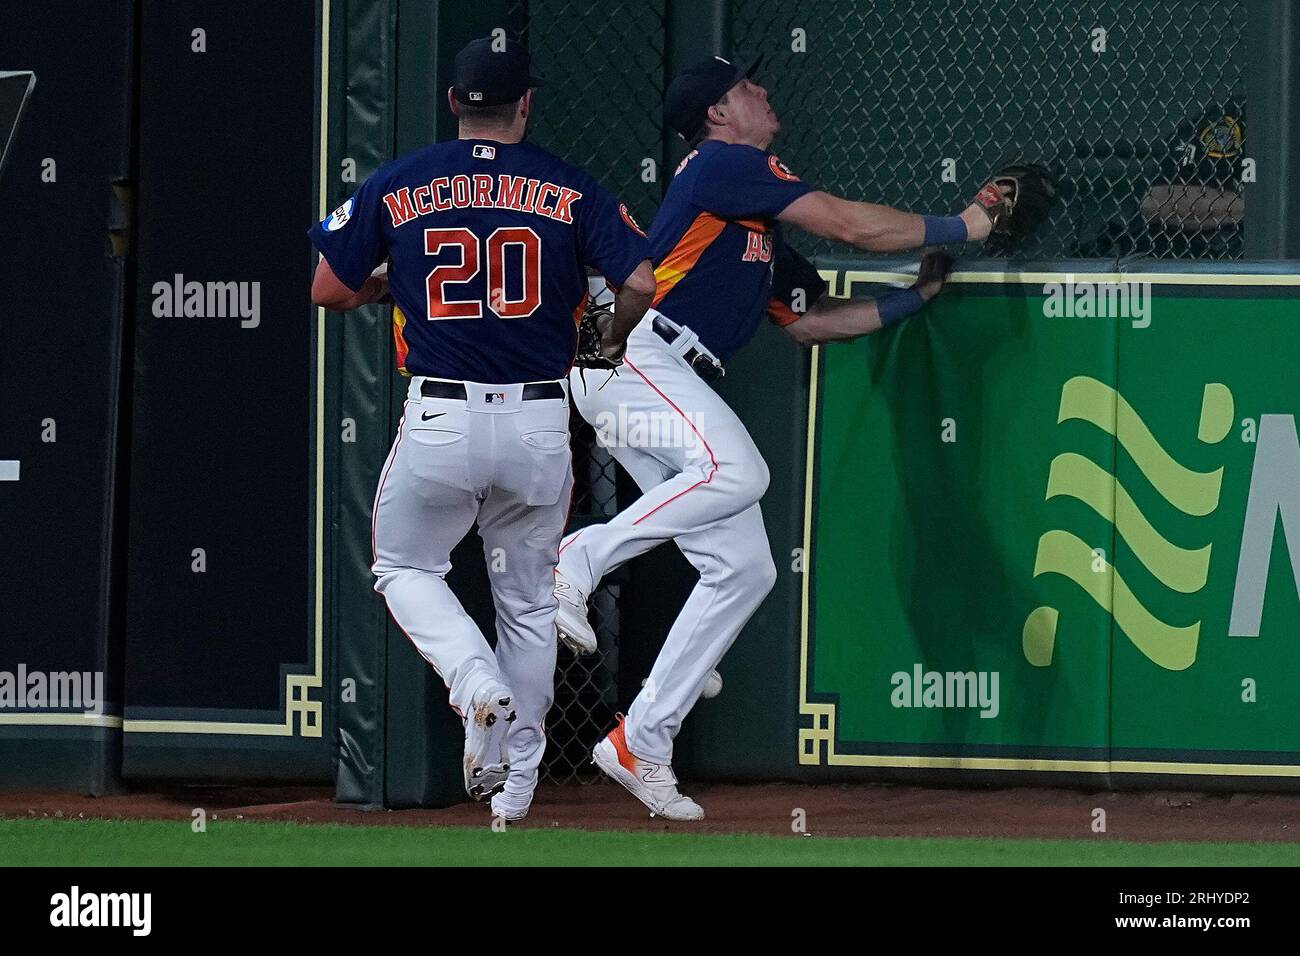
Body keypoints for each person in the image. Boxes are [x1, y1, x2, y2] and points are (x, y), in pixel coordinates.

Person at [552, 54, 1014, 821]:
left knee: (743, 570)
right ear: (719, 116)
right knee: (741, 471)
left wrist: (914, 300)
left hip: (648, 369)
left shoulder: (750, 219)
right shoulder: (722, 166)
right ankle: (582, 554)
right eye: (746, 88)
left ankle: (641, 739)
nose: (763, 92)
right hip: (633, 348)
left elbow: (810, 325)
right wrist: (963, 224)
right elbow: (844, 222)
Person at [308, 37, 653, 822]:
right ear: (524, 105)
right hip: (537, 421)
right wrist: (612, 336)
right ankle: (516, 796)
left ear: (455, 103)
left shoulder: (404, 179)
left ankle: (473, 684)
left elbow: (327, 285)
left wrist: (394, 280)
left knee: (402, 566)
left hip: (441, 416)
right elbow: (640, 278)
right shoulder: (566, 185)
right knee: (529, 605)